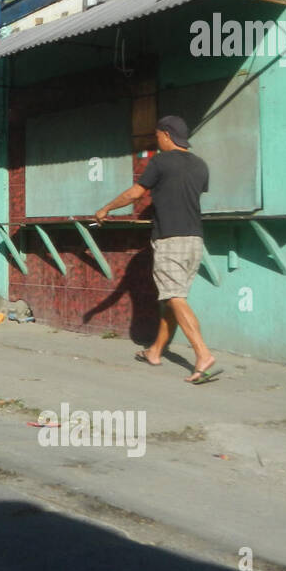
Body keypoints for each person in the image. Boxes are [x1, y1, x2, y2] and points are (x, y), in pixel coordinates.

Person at [95, 115, 219, 384]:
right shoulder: (200, 165)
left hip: (170, 240)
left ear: (166, 134)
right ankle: (154, 351)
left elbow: (135, 194)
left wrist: (106, 208)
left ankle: (203, 354)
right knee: (172, 299)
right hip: (195, 240)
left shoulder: (161, 161)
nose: (157, 141)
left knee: (174, 296)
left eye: (158, 136)